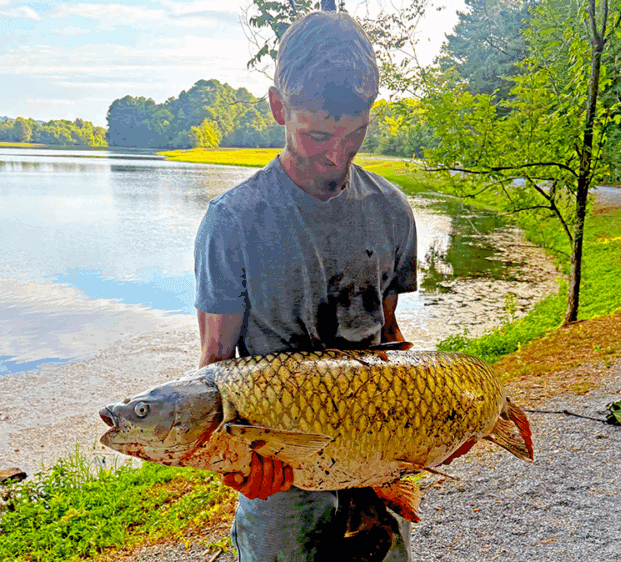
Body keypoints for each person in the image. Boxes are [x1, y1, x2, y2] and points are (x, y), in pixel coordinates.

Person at [193, 10, 418, 562]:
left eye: (355, 134)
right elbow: (215, 366)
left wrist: (422, 431)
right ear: (278, 109)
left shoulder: (392, 209)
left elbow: (389, 337)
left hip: (375, 454)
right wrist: (237, 472)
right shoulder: (233, 221)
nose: (337, 156)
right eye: (318, 135)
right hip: (281, 475)